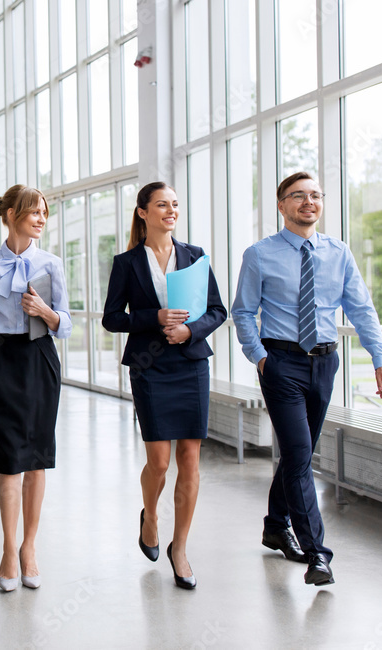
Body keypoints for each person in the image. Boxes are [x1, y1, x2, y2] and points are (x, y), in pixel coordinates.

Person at [232, 171, 382, 586]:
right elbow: (244, 311)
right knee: (302, 456)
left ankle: (275, 524)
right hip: (281, 364)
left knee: (296, 455)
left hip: (325, 364)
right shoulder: (259, 254)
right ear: (281, 203)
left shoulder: (339, 253)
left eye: (316, 195)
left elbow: (362, 310)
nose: (309, 202)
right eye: (299, 196)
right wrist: (261, 358)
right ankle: (317, 554)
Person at [101, 181, 226, 590]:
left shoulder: (195, 256)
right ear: (143, 212)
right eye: (161, 205)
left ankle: (181, 549)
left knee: (190, 458)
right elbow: (112, 319)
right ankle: (150, 516)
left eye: (175, 204)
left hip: (190, 364)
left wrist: (190, 332)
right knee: (158, 462)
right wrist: (155, 318)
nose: (171, 211)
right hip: (149, 366)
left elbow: (217, 310)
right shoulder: (126, 262)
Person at [0, 185, 71, 592]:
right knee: (9, 461)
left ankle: (30, 547)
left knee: (37, 459)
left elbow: (67, 322)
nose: (41, 219)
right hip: (1, 363)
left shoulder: (51, 264)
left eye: (45, 213)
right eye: (33, 213)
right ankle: (9, 550)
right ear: (11, 215)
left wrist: (45, 312)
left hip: (40, 358)